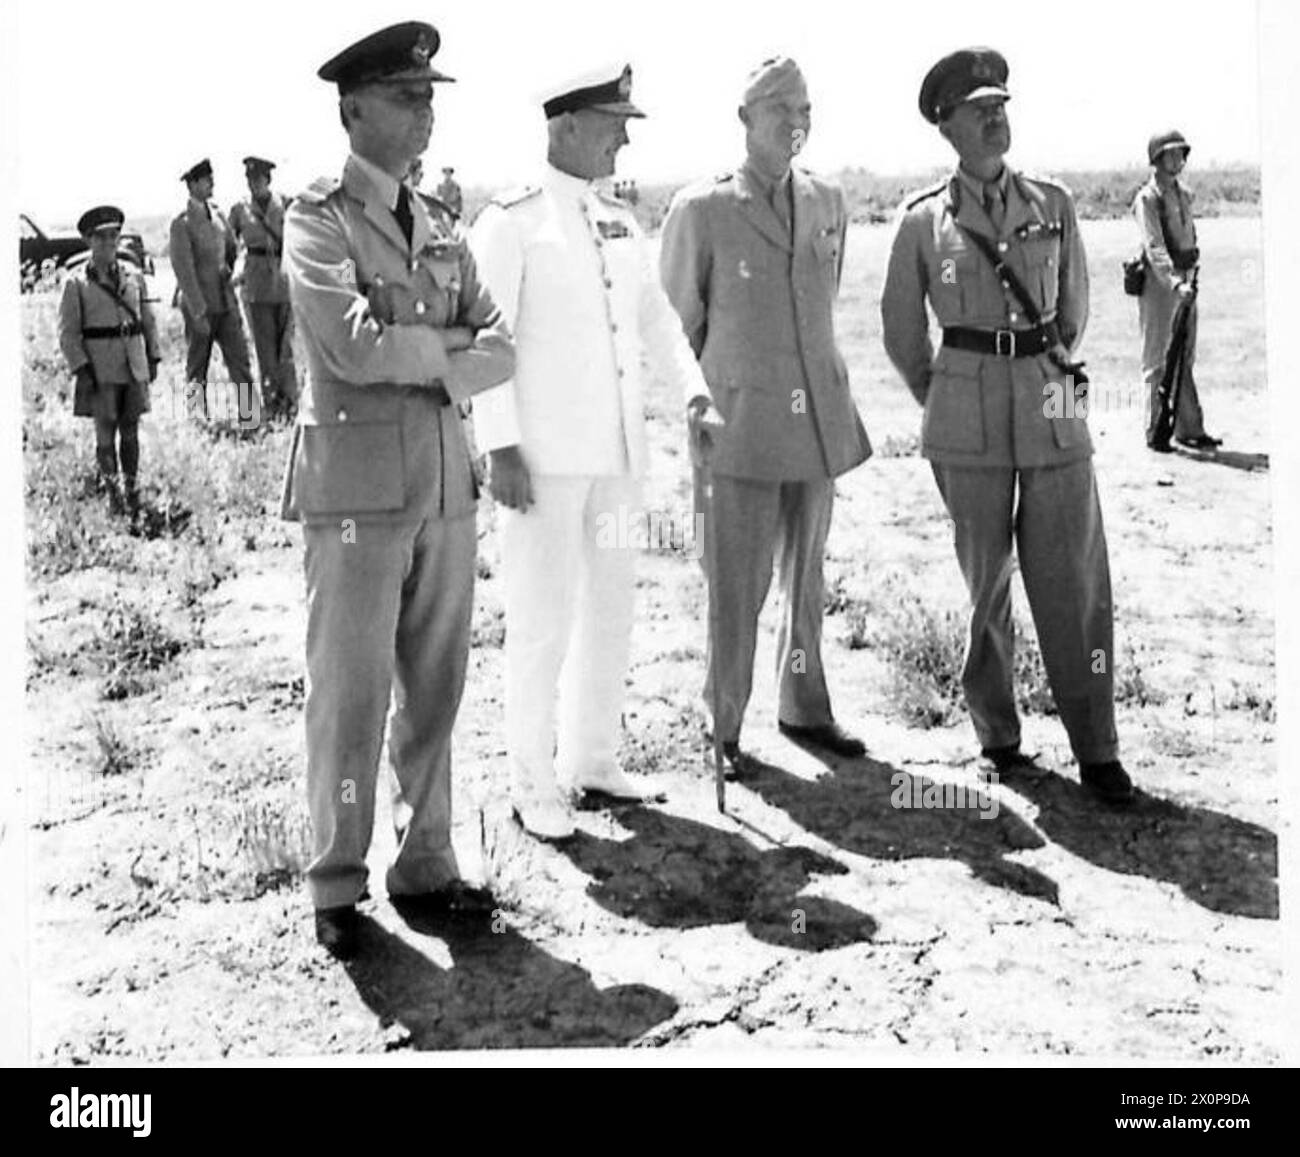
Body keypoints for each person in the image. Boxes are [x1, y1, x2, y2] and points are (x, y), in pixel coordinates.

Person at [280, 20, 515, 959]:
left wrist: (435, 357)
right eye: (409, 97)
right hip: (359, 492)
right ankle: (337, 884)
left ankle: (427, 864)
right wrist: (448, 354)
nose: (427, 113)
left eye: (430, 97)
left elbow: (502, 348)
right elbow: (351, 345)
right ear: (354, 110)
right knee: (350, 690)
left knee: (437, 685)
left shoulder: (445, 225)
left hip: (447, 485)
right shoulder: (317, 220)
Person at [471, 64, 719, 841]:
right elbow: (489, 342)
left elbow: (656, 317)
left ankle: (592, 759)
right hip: (543, 460)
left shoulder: (619, 221)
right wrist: (499, 443)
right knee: (542, 620)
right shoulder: (511, 222)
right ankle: (531, 781)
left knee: (609, 610)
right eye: (613, 122)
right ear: (567, 124)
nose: (623, 136)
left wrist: (695, 393)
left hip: (616, 457)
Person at [880, 47, 1134, 806]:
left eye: (1002, 105)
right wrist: (950, 391)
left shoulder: (1052, 203)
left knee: (1077, 580)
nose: (996, 118)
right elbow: (901, 335)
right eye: (978, 109)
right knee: (985, 580)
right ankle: (998, 735)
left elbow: (1075, 309)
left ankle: (1098, 748)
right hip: (966, 411)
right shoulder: (923, 220)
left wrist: (1041, 372)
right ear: (947, 125)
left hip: (1052, 398)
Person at [659, 56, 871, 773]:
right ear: (745, 119)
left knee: (807, 578)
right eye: (780, 109)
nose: (795, 123)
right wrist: (696, 409)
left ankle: (804, 707)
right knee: (735, 585)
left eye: (804, 108)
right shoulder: (703, 209)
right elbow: (677, 328)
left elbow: (820, 301)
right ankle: (722, 727)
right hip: (739, 429)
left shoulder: (828, 201)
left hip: (815, 420)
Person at [57, 205, 159, 518]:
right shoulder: (76, 284)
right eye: (101, 238)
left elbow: (147, 319)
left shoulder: (134, 277)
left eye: (114, 237)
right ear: (88, 241)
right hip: (99, 370)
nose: (109, 244)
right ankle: (113, 497)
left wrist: (153, 355)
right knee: (105, 433)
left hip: (132, 364)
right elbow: (68, 334)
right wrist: (81, 369)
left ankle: (131, 490)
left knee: (130, 429)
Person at [1134, 130, 1221, 452]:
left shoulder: (1184, 194)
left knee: (1184, 354)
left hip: (1185, 278)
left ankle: (1189, 428)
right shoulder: (1148, 198)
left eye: (1180, 153)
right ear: (1156, 158)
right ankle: (1155, 429)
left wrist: (1187, 278)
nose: (1178, 159)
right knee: (1158, 358)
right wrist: (1174, 281)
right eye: (1171, 154)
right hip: (1161, 285)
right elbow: (1154, 246)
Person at [169, 158, 253, 419]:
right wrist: (198, 310)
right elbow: (184, 270)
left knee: (240, 361)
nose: (212, 183)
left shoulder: (217, 215)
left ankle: (249, 417)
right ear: (192, 184)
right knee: (197, 366)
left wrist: (234, 269)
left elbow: (233, 249)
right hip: (201, 306)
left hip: (226, 302)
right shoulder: (182, 223)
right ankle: (197, 418)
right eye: (206, 180)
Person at [229, 155, 298, 420]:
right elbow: (228, 242)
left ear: (267, 180)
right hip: (256, 284)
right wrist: (234, 271)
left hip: (283, 281)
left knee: (285, 348)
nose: (253, 184)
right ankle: (271, 406)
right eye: (249, 180)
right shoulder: (240, 209)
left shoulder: (287, 204)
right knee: (264, 349)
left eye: (258, 179)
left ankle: (290, 403)